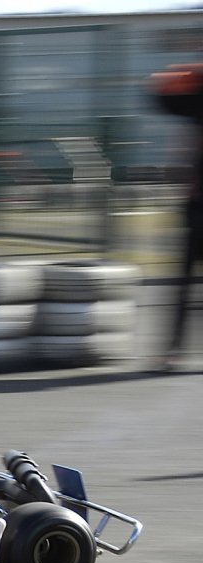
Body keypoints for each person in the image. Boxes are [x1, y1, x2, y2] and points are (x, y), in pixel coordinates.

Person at [153, 61, 203, 372]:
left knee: (185, 284)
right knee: (184, 284)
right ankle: (172, 350)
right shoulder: (195, 105)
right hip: (197, 207)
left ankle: (172, 350)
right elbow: (162, 94)